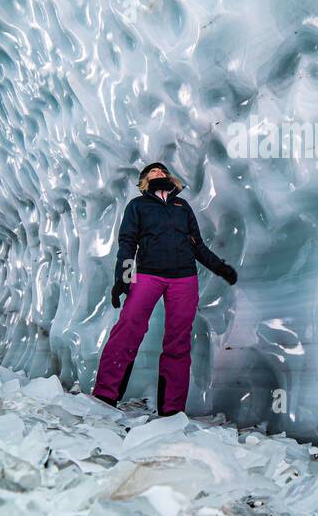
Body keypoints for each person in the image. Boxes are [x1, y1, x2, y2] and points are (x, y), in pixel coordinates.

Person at [92, 162, 237, 416]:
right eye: (152, 172)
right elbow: (128, 242)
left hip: (184, 279)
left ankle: (171, 410)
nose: (158, 173)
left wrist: (221, 268)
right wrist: (122, 279)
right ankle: (105, 395)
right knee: (127, 329)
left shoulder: (182, 207)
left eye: (161, 170)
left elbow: (198, 246)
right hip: (148, 274)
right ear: (144, 181)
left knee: (178, 343)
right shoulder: (137, 206)